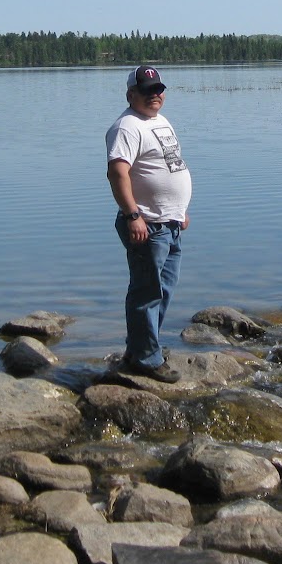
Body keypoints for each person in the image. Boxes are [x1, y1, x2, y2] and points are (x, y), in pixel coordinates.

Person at [105, 65, 191, 382]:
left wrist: (179, 208)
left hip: (169, 222)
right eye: (147, 90)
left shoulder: (159, 121)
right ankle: (145, 359)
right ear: (131, 94)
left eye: (158, 89)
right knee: (146, 292)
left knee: (163, 290)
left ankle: (142, 349)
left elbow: (171, 164)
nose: (154, 95)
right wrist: (132, 215)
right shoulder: (126, 127)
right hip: (146, 224)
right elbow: (117, 173)